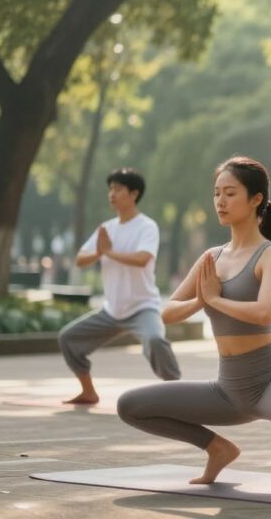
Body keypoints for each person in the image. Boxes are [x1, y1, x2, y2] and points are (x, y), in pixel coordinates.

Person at [116, 157, 271, 503]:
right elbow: (167, 311)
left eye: (230, 193)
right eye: (216, 193)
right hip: (227, 390)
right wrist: (201, 301)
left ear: (255, 200)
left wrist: (215, 301)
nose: (220, 201)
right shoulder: (212, 257)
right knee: (130, 405)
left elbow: (265, 310)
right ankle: (217, 447)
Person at [58, 168, 180, 404]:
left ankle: (177, 392)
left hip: (143, 307)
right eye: (110, 189)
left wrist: (109, 252)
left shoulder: (147, 227)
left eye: (118, 189)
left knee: (155, 341)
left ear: (133, 194)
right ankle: (88, 391)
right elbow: (80, 259)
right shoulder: (107, 228)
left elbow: (142, 259)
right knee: (68, 338)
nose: (112, 194)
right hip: (112, 310)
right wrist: (99, 251)